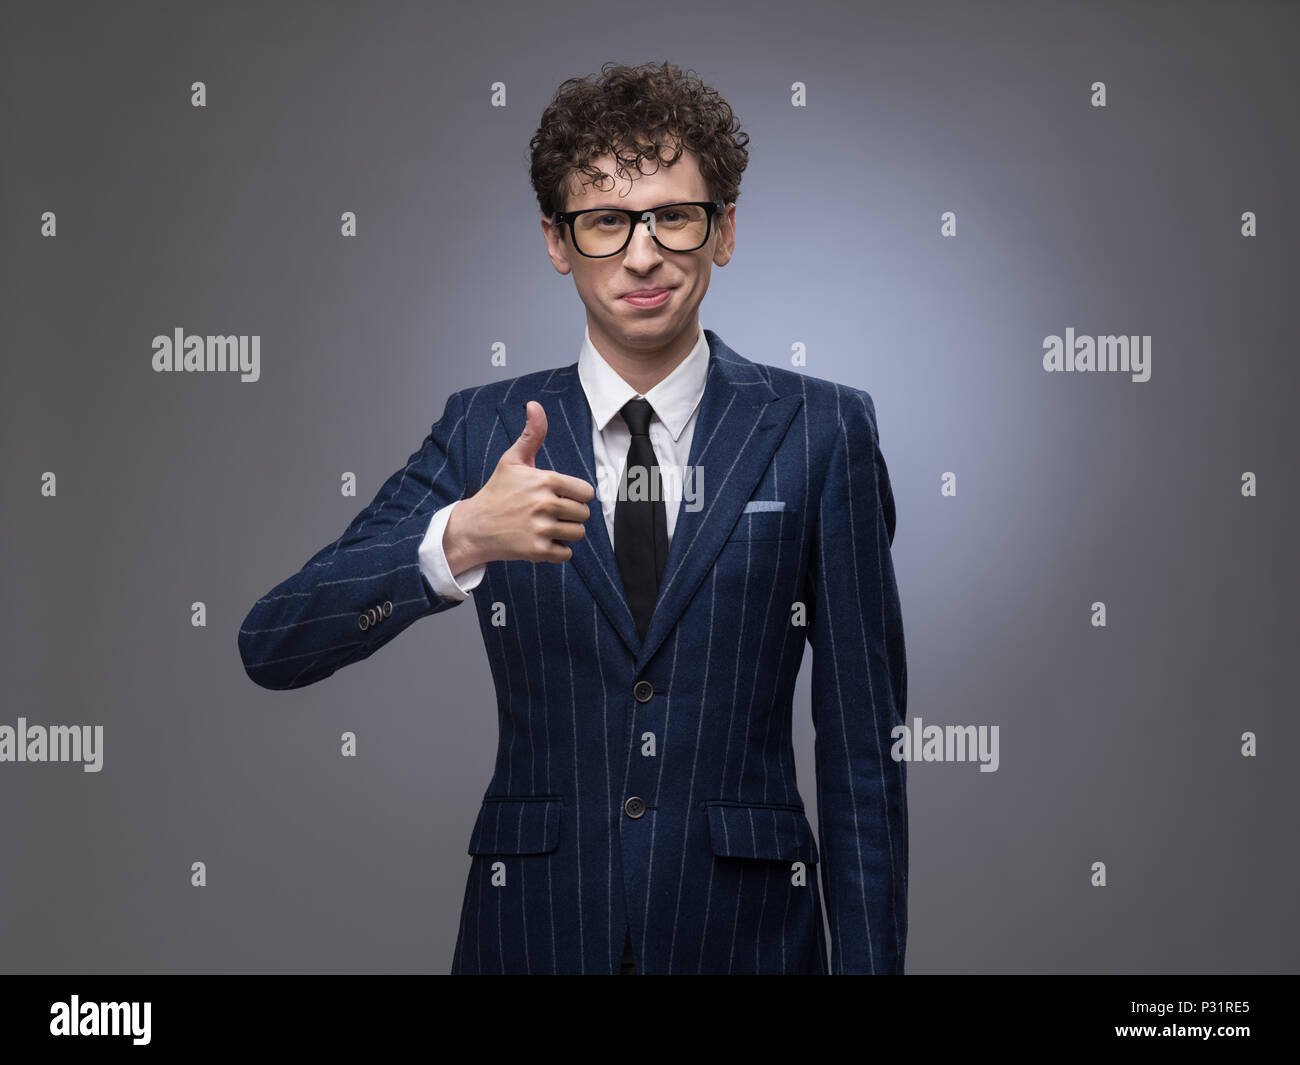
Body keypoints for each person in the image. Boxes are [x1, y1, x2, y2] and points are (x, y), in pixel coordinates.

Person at [238, 60, 908, 975]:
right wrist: (460, 539)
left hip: (748, 938)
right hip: (534, 934)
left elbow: (865, 753)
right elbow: (273, 642)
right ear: (558, 241)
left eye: (674, 215)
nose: (643, 254)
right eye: (606, 222)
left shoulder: (822, 428)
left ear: (725, 232)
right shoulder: (483, 428)